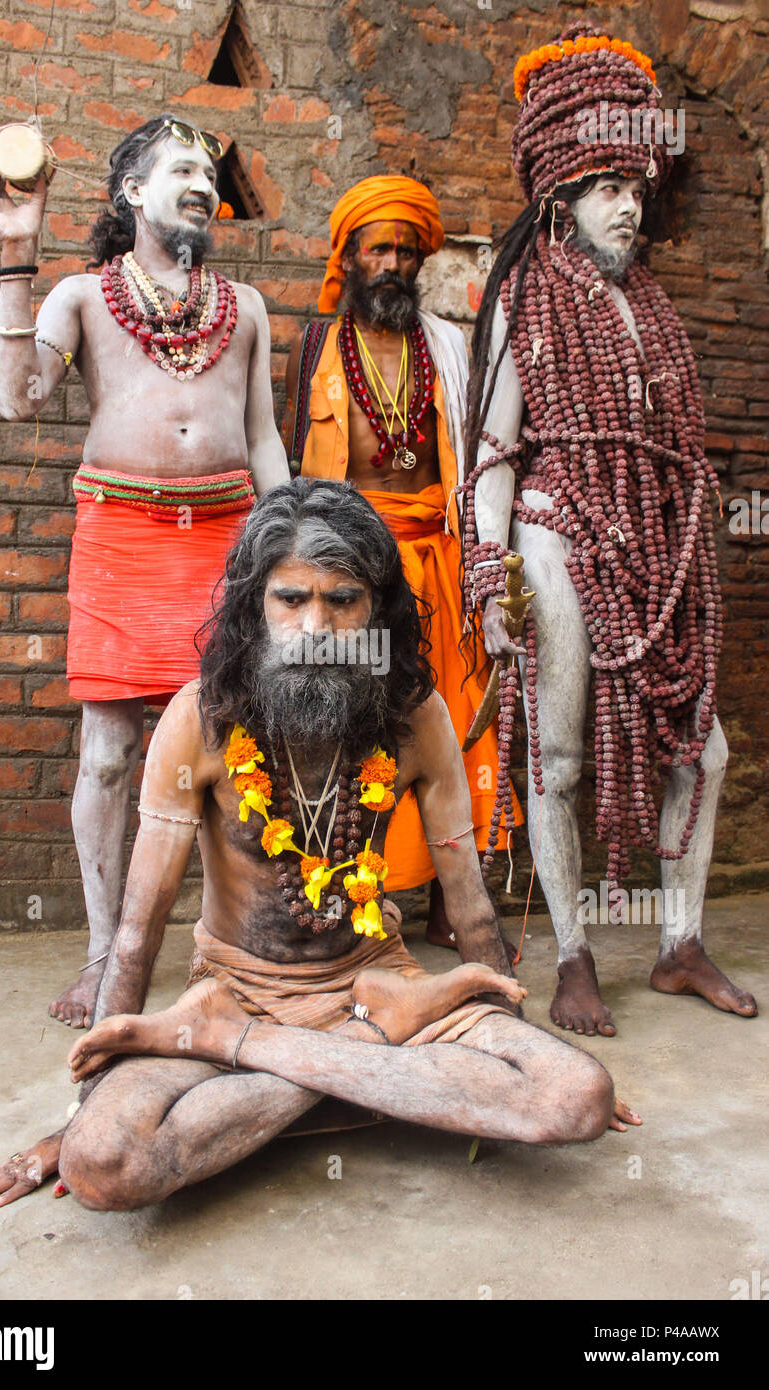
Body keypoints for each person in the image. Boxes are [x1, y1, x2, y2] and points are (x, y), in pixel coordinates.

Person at [0, 480, 638, 1212]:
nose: (315, 625)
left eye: (342, 600)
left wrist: (517, 1047)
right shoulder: (203, 722)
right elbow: (136, 936)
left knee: (576, 1095)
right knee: (103, 1161)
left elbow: (472, 909)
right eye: (291, 600)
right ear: (255, 609)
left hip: (378, 978)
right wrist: (74, 1121)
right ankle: (353, 1070)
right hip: (240, 991)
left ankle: (262, 1055)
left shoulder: (415, 715)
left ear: (377, 607)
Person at [462, 27, 757, 1036]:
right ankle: (572, 956)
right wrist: (488, 578)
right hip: (554, 538)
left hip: (654, 553)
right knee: (554, 759)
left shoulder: (654, 308)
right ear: (556, 194)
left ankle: (677, 944)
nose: (626, 202)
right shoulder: (519, 297)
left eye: (633, 184)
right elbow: (492, 456)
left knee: (702, 752)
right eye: (601, 184)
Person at [0, 114, 289, 1028]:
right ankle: (105, 954)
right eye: (180, 169)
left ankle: (230, 948)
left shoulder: (248, 310)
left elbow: (265, 437)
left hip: (229, 543)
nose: (201, 182)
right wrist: (15, 256)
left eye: (208, 172)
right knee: (109, 755)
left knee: (235, 753)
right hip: (121, 537)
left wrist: (285, 539)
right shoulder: (80, 296)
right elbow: (17, 401)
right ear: (132, 194)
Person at [284, 176, 520, 950]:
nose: (392, 261)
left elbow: (477, 462)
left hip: (440, 561)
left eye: (405, 249)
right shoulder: (316, 348)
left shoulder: (448, 347)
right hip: (352, 569)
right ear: (348, 256)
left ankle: (456, 905)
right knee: (354, 726)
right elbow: (292, 466)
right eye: (377, 247)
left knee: (453, 726)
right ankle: (354, 893)